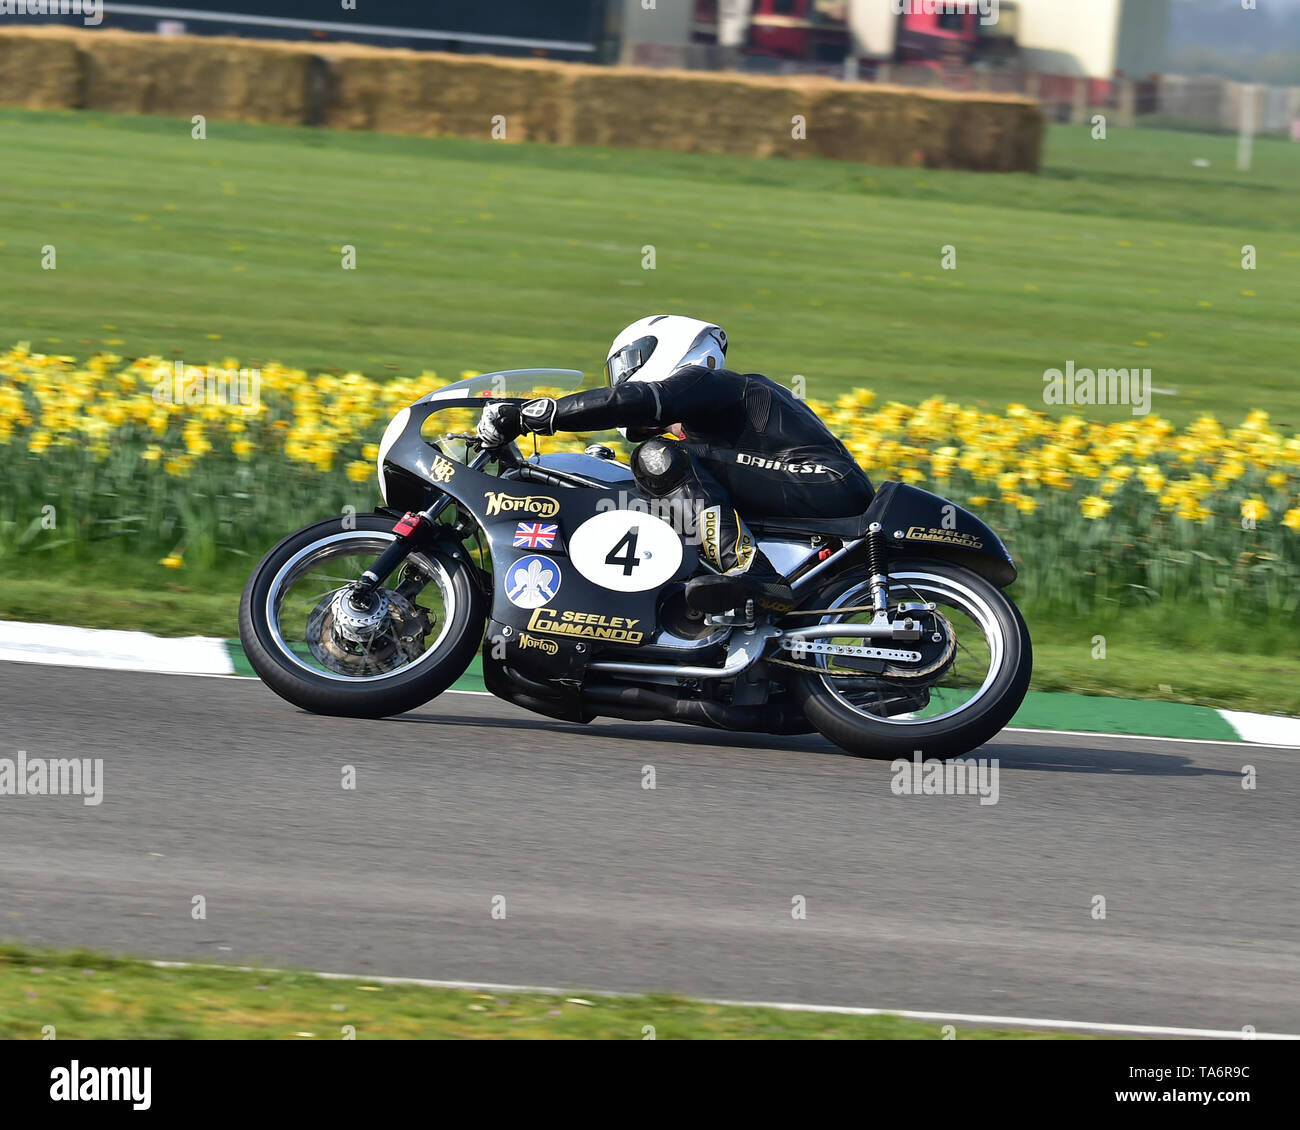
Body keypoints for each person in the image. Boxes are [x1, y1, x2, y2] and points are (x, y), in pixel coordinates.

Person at [476, 315, 874, 614]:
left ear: (666, 348)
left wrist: (534, 414)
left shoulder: (713, 381)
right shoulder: (713, 427)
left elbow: (641, 397)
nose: (622, 379)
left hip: (823, 480)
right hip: (806, 486)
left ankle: (749, 570)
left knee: (657, 455)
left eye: (627, 365)